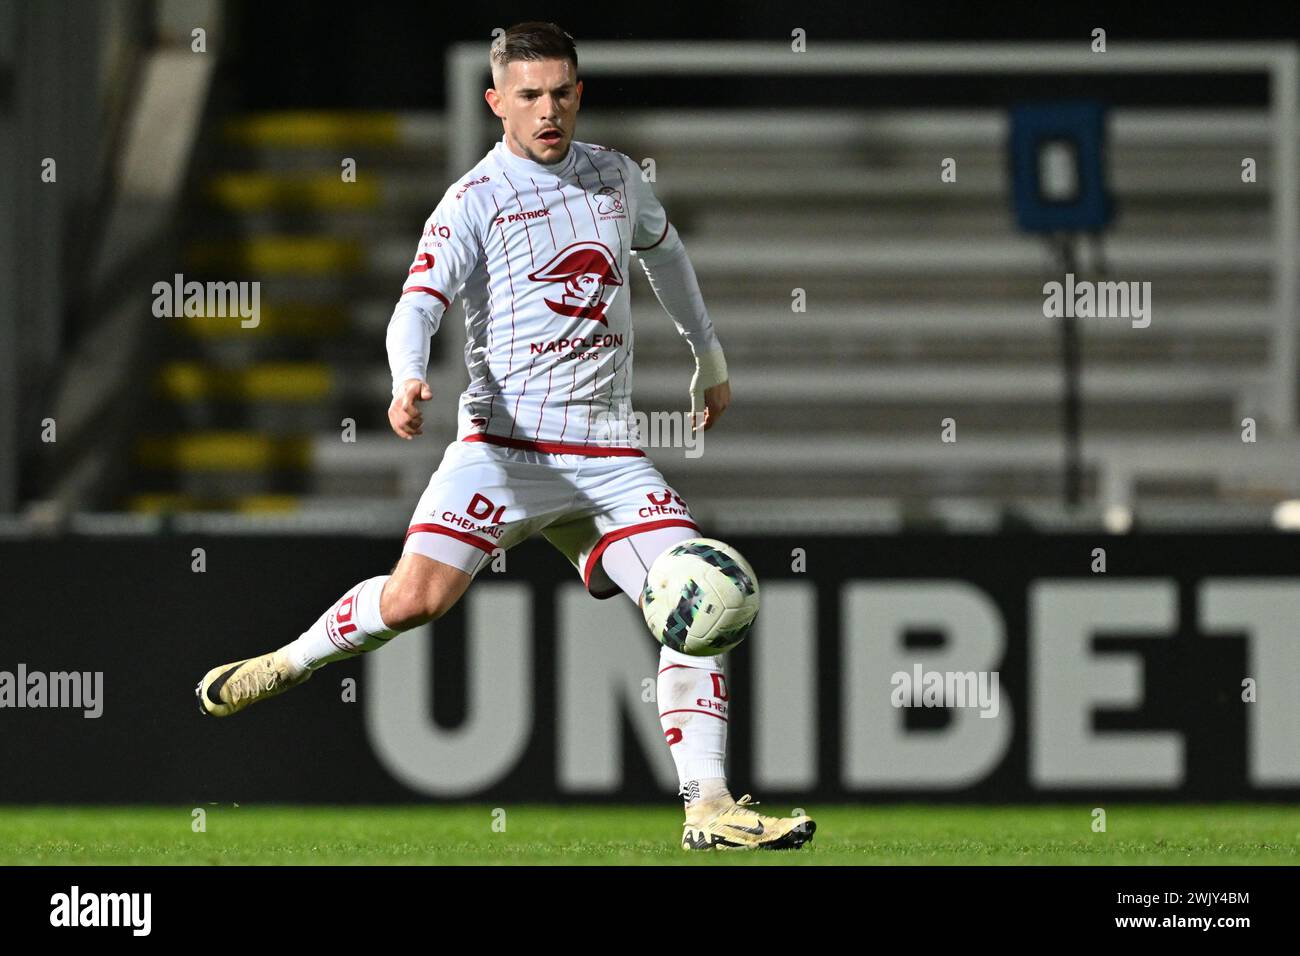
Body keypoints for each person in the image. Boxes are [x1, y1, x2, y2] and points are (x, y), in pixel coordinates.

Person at [197, 20, 814, 852]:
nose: (547, 109)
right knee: (415, 601)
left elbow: (665, 255)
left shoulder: (617, 180)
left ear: (578, 94)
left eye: (561, 92)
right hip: (503, 452)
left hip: (606, 454)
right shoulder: (474, 198)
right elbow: (417, 303)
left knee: (691, 596)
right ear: (496, 102)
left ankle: (707, 806)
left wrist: (708, 354)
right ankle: (293, 659)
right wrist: (405, 375)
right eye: (529, 95)